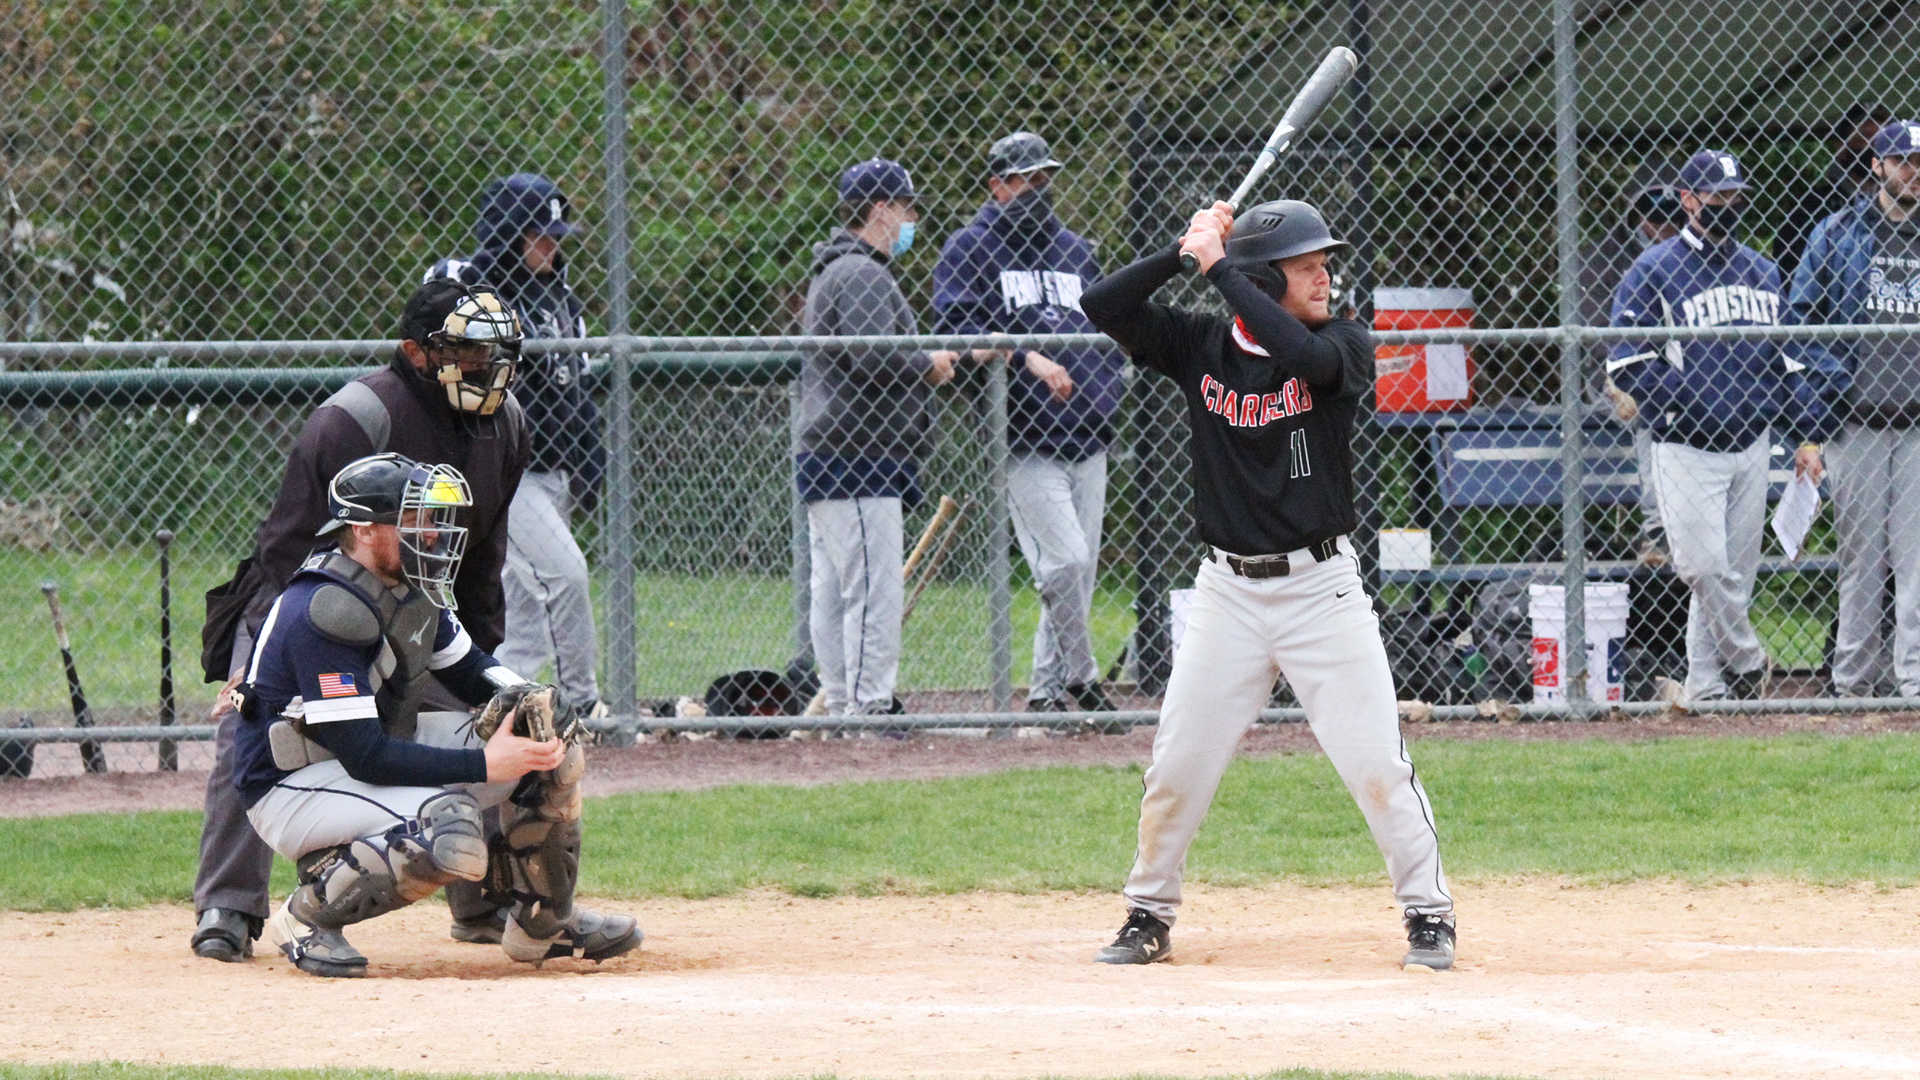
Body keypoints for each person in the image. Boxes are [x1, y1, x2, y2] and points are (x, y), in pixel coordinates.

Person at [1079, 199, 1455, 970]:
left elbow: (1306, 363)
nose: (1325, 274)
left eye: (1325, 261)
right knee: (1178, 762)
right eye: (1307, 264)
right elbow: (1102, 304)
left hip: (1322, 589)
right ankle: (1147, 912)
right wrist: (1183, 252)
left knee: (1377, 764)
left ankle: (1429, 913)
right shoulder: (1200, 343)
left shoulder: (1343, 341)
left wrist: (1219, 267)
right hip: (1228, 594)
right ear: (1264, 275)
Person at [190, 281, 532, 963]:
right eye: (465, 348)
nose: (484, 362)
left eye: (494, 349)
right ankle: (229, 905)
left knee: (494, 721)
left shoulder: (508, 423)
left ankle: (485, 904)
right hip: (304, 595)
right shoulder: (357, 418)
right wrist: (295, 657)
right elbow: (294, 548)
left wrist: (475, 672)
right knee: (249, 720)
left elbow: (483, 553)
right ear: (416, 352)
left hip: (423, 604)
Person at [239, 453, 640, 976]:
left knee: (546, 750)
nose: (429, 534)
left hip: (360, 753)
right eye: (415, 520)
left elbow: (472, 669)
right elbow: (366, 756)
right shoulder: (325, 610)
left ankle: (542, 924)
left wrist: (529, 697)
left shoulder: (409, 587)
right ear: (362, 527)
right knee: (450, 828)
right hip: (292, 783)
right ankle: (306, 917)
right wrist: (484, 767)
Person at [1607, 150, 1820, 702]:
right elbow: (1624, 362)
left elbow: (1788, 359)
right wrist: (1689, 401)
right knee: (1701, 566)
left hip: (1751, 442)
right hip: (1685, 444)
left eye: (1735, 199)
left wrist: (1802, 432)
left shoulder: (1761, 268)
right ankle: (1749, 660)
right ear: (1688, 199)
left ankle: (1706, 690)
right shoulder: (1654, 268)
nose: (1728, 207)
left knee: (1736, 576)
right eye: (1717, 198)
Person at [933, 132, 1125, 713]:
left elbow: (1104, 319)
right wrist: (1024, 355)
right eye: (1026, 179)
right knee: (1063, 559)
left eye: (1045, 178)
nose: (1039, 190)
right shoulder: (971, 248)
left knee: (1076, 574)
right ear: (997, 186)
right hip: (1022, 437)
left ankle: (1045, 695)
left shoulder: (1074, 249)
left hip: (1088, 432)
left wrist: (1110, 375)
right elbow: (958, 331)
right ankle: (1082, 679)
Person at [796, 159, 982, 717]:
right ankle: (867, 705)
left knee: (834, 591)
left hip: (839, 452)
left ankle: (844, 702)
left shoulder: (846, 270)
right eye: (905, 208)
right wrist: (930, 363)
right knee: (872, 590)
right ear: (880, 210)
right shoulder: (860, 272)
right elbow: (872, 354)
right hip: (856, 453)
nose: (911, 219)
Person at [430, 174, 606, 718]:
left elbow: (576, 388)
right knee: (567, 575)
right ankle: (586, 705)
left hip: (553, 470)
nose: (552, 246)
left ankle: (503, 710)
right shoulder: (474, 289)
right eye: (538, 234)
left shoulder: (561, 298)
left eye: (556, 235)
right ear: (507, 234)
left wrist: (590, 459)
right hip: (500, 468)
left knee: (525, 605)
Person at [1785, 120, 1920, 698]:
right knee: (1862, 558)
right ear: (1877, 167)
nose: (1913, 170)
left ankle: (1914, 679)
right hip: (1856, 420)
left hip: (1917, 423)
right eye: (1902, 160)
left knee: (1917, 561)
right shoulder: (1837, 234)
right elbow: (1799, 325)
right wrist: (1811, 426)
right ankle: (1851, 682)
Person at [1580, 161, 1687, 565]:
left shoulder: (1696, 251)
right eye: (1651, 211)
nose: (1661, 222)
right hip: (1616, 376)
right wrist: (1626, 373)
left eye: (1671, 211)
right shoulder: (1602, 256)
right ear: (1633, 213)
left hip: (1681, 370)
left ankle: (1692, 523)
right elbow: (1596, 338)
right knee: (1652, 401)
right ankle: (1657, 529)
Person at [1778, 103, 1892, 282]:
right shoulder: (1812, 205)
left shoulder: (1904, 205)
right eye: (1865, 137)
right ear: (1841, 146)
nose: (1873, 146)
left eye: (1881, 141)